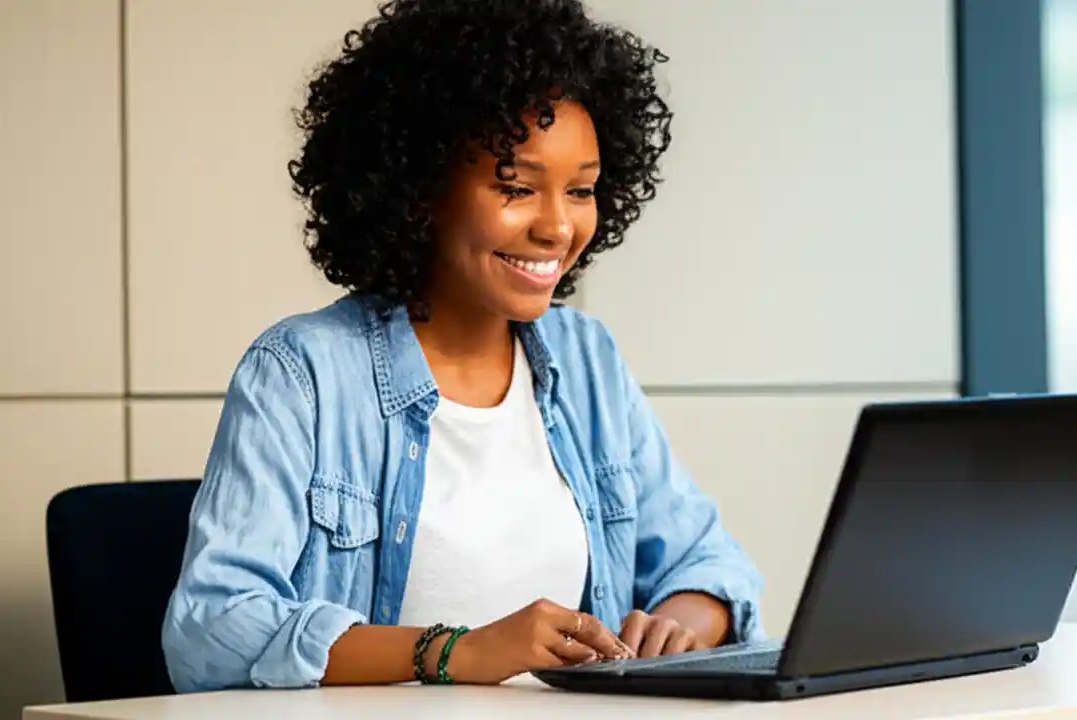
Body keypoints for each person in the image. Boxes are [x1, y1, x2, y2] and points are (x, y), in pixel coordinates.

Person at [161, 0, 764, 692]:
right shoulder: (303, 373)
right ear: (422, 189)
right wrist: (453, 651)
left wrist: (680, 625)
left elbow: (709, 563)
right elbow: (211, 629)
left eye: (581, 190)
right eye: (518, 188)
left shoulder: (585, 360)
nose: (557, 228)